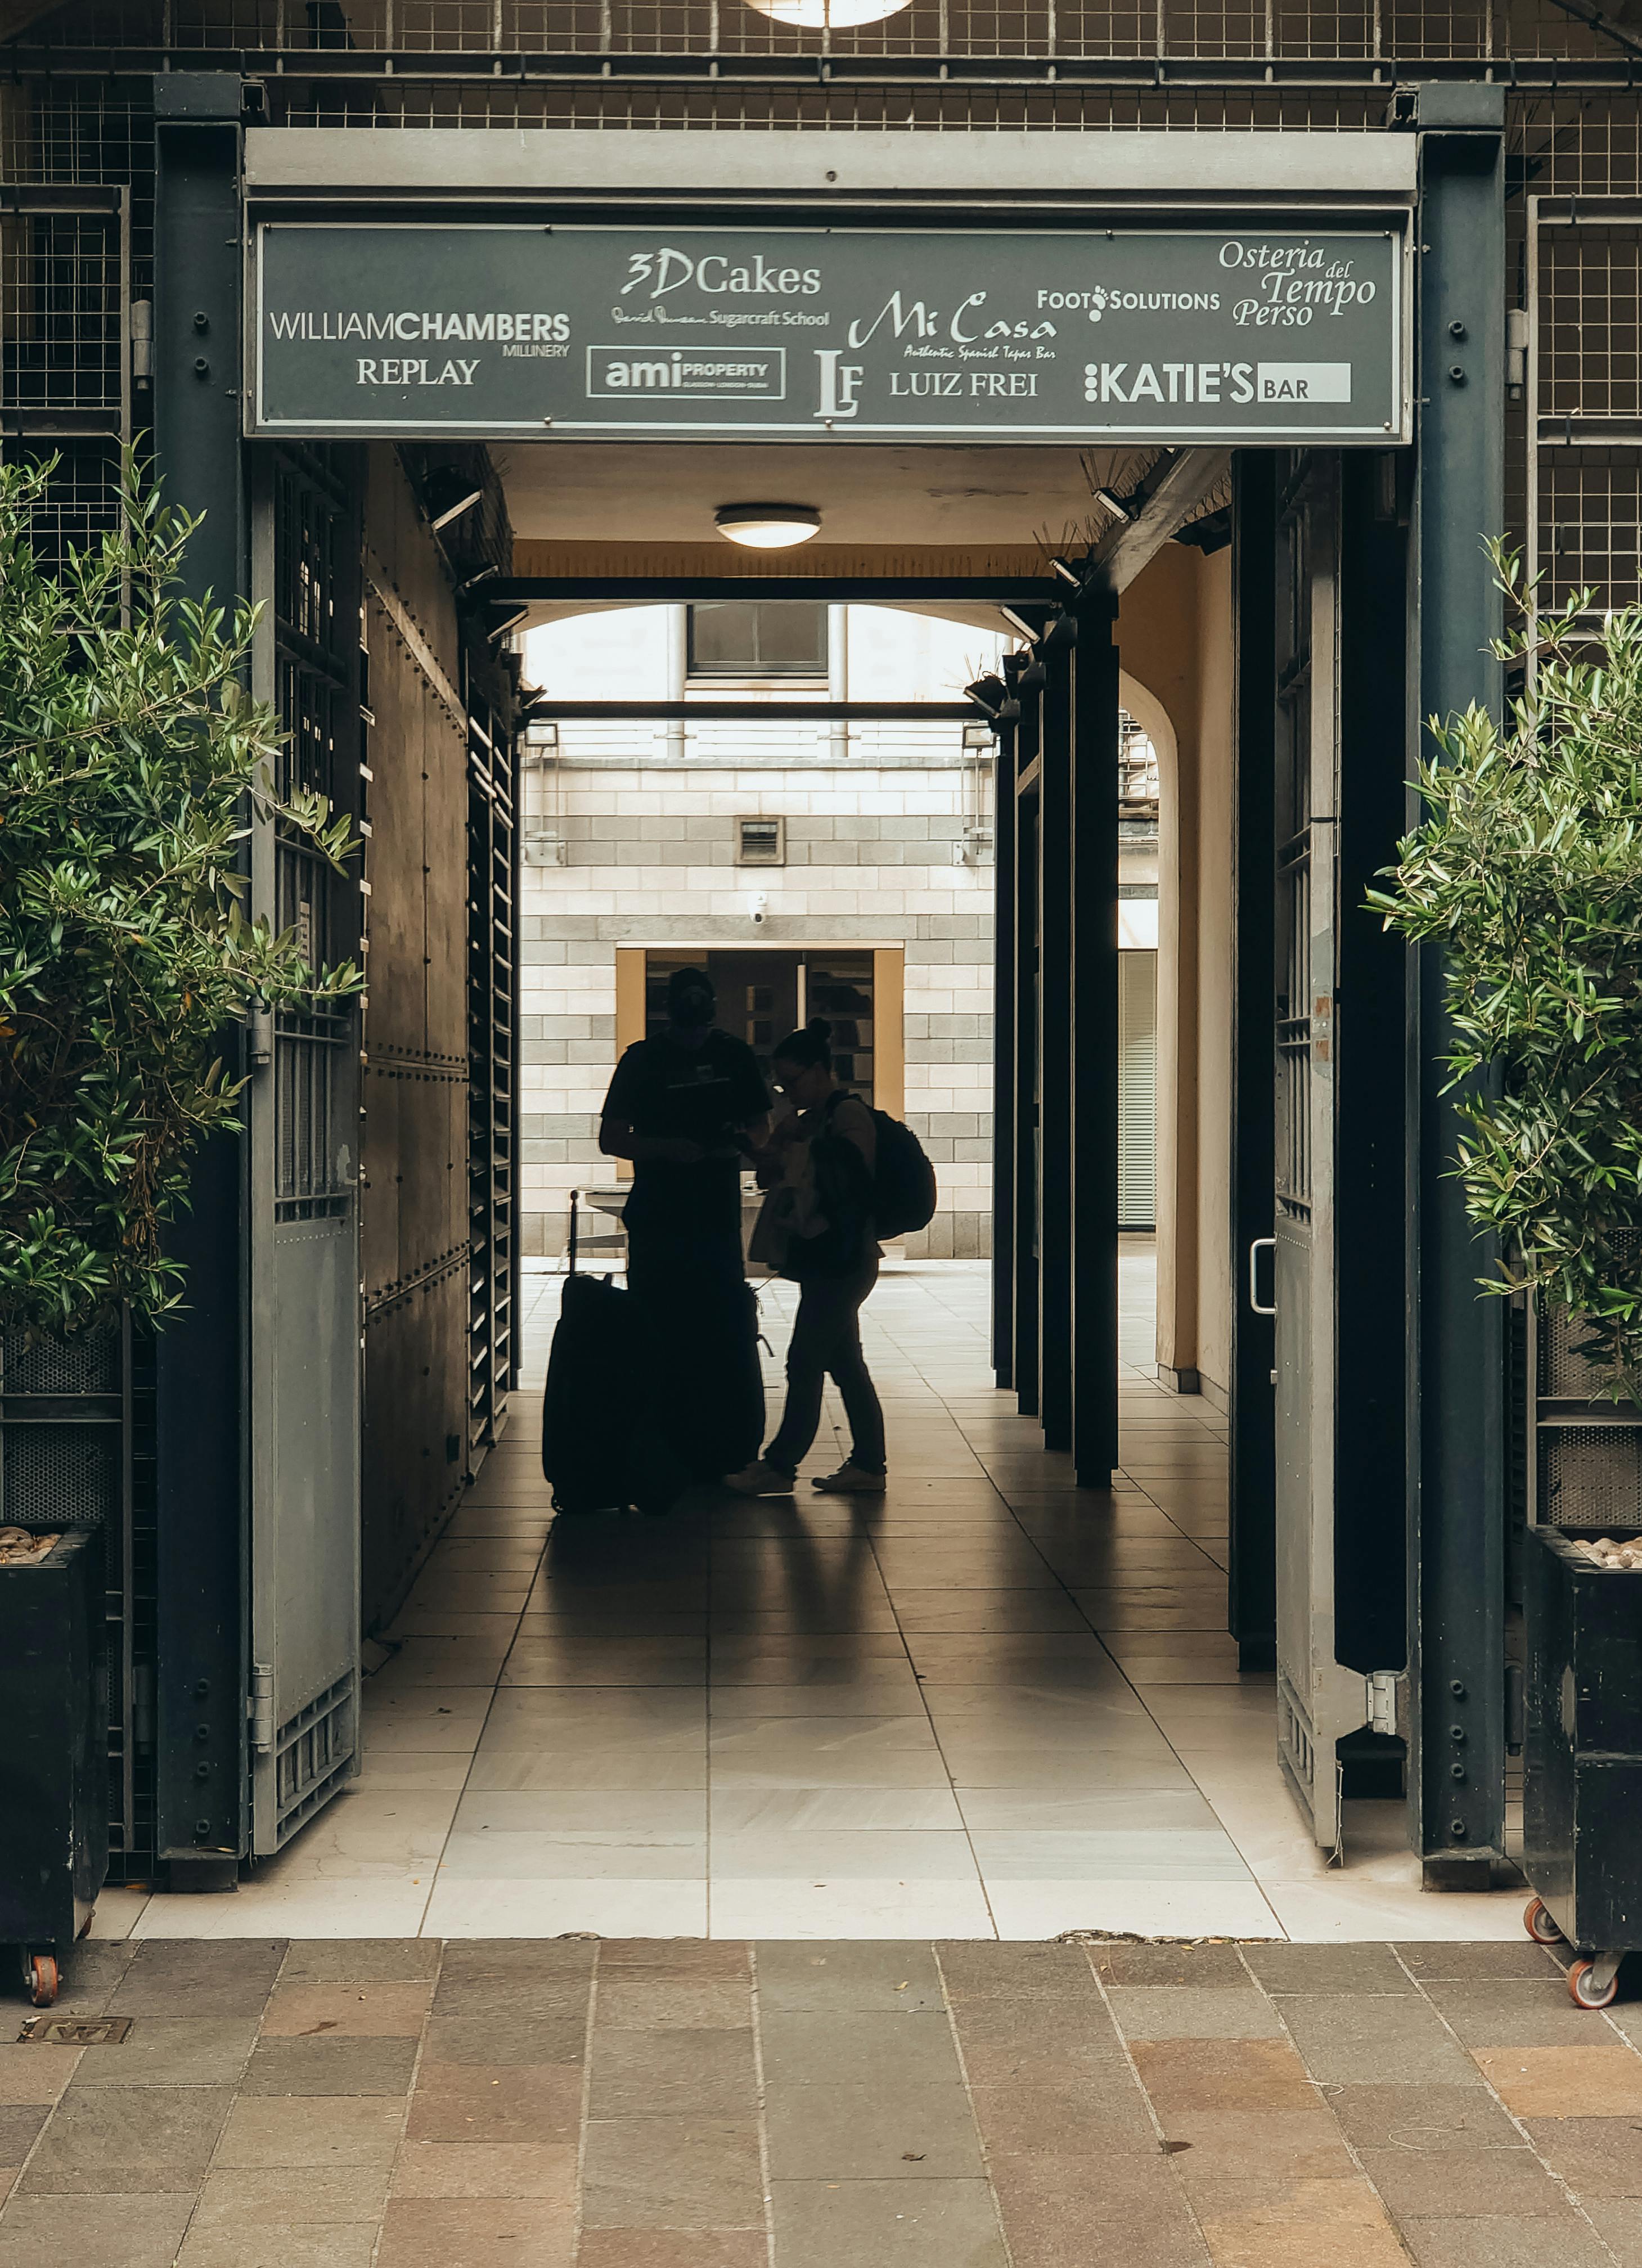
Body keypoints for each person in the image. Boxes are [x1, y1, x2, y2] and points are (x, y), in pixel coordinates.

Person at [599, 965, 770, 1478]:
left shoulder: (733, 1057)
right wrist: (668, 1150)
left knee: (716, 1334)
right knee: (659, 1330)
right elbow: (612, 1138)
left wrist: (734, 1146)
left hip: (713, 1216)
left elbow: (761, 1128)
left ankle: (716, 1442)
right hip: (661, 1215)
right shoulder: (643, 1059)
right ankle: (662, 1441)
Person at [727, 1017, 887, 1497]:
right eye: (781, 1083)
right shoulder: (802, 1121)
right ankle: (868, 1465)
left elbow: (849, 1182)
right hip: (830, 1259)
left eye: (793, 1081)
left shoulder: (848, 1117)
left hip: (845, 1259)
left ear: (821, 1070)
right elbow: (773, 1170)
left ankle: (779, 1466)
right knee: (845, 1365)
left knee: (804, 1360)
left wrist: (800, 1148)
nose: (787, 1091)